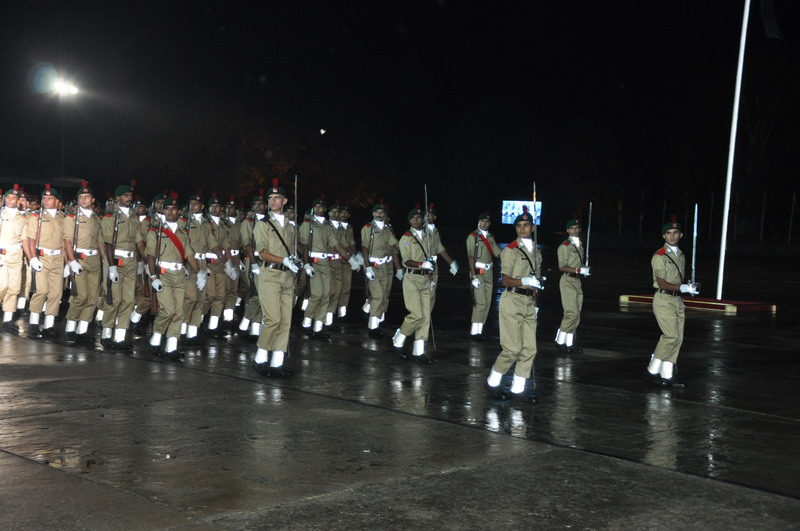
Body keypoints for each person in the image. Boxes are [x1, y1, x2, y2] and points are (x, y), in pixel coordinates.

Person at [485, 208, 542, 405]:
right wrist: (524, 280)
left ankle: (518, 390)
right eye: (518, 225)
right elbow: (506, 280)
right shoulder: (510, 250)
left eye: (526, 225)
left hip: (528, 302)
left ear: (533, 228)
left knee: (530, 349)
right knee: (512, 349)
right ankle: (493, 383)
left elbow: (536, 281)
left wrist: (536, 298)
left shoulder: (537, 253)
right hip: (512, 300)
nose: (522, 228)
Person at [146, 193, 203, 361]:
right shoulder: (155, 232)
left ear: (179, 212)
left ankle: (172, 348)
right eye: (167, 209)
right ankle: (155, 339)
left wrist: (199, 272)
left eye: (173, 209)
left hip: (179, 275)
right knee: (168, 311)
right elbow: (150, 256)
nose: (170, 212)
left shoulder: (183, 232)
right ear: (163, 211)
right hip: (163, 274)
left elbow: (189, 256)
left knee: (179, 313)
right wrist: (153, 277)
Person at [252, 179, 299, 377]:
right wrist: (284, 260)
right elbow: (261, 252)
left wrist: (295, 263)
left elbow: (293, 251)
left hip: (287, 277)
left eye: (277, 198)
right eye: (270, 198)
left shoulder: (290, 226)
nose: (272, 202)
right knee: (272, 319)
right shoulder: (262, 224)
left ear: (285, 201)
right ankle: (260, 358)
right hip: (270, 275)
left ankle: (277, 363)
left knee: (286, 321)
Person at [646, 220, 699, 388]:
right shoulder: (659, 255)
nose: (672, 236)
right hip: (664, 299)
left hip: (677, 300)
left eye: (675, 233)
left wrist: (687, 289)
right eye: (668, 233)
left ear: (681, 235)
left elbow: (678, 279)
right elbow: (661, 282)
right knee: (671, 336)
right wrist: (681, 287)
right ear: (664, 236)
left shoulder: (681, 255)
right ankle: (652, 370)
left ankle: (667, 375)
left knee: (679, 338)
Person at [298, 196, 360, 339]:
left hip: (325, 262)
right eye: (317, 207)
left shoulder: (327, 226)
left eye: (322, 207)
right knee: (317, 295)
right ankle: (306, 323)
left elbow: (336, 245)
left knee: (326, 295)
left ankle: (318, 327)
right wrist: (306, 263)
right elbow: (304, 246)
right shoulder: (308, 224)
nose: (319, 209)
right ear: (313, 208)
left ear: (325, 210)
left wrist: (350, 259)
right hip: (313, 262)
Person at [392, 205, 440, 364]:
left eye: (419, 218)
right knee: (417, 315)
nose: (417, 220)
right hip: (412, 279)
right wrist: (422, 264)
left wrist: (431, 274)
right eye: (414, 218)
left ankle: (418, 352)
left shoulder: (428, 236)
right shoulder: (406, 238)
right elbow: (406, 260)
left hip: (426, 279)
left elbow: (433, 255)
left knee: (426, 317)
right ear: (409, 221)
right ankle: (399, 338)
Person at [100, 181, 144, 350]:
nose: (129, 198)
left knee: (129, 300)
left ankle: (120, 337)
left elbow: (139, 241)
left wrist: (144, 262)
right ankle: (106, 334)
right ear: (118, 198)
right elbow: (108, 243)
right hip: (115, 261)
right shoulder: (111, 217)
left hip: (131, 261)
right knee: (114, 299)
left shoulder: (133, 217)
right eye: (126, 195)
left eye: (130, 196)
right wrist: (111, 266)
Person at [181, 191, 226, 346]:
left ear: (202, 206)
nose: (193, 206)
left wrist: (224, 261)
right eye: (191, 203)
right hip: (188, 262)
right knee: (190, 298)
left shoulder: (205, 224)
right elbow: (182, 245)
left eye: (196, 204)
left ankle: (192, 333)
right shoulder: (184, 222)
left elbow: (213, 243)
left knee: (200, 299)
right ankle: (181, 331)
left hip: (202, 262)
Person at [63, 181, 105, 344]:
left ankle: (82, 331)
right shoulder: (72, 217)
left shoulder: (96, 219)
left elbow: (100, 242)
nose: (84, 200)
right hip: (79, 259)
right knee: (81, 297)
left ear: (93, 200)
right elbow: (67, 241)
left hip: (94, 260)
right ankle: (70, 328)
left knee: (93, 298)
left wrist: (107, 262)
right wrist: (71, 261)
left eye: (87, 197)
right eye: (81, 197)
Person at [24, 184, 66, 338]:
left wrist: (68, 262)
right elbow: (30, 239)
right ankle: (34, 323)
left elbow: (66, 242)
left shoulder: (63, 218)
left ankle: (49, 325)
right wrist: (32, 258)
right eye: (44, 198)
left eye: (50, 198)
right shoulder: (37, 217)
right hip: (42, 256)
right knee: (41, 290)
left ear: (56, 200)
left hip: (58, 258)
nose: (46, 201)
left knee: (56, 293)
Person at [361, 201, 402, 338]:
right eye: (377, 212)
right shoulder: (368, 228)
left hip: (387, 266)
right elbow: (365, 248)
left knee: (384, 295)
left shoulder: (387, 229)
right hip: (374, 266)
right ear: (373, 214)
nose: (379, 215)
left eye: (382, 213)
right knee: (378, 295)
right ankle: (373, 328)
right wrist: (368, 267)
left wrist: (408, 252)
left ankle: (378, 320)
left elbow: (394, 244)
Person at [203, 193, 237, 338]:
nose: (216, 208)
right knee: (209, 296)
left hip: (220, 265)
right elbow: (214, 246)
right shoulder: (205, 224)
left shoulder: (223, 225)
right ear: (209, 208)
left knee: (220, 296)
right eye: (213, 206)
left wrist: (229, 264)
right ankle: (197, 324)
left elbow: (227, 245)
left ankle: (213, 327)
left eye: (218, 206)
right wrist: (225, 261)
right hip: (209, 264)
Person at [555, 219, 591, 353]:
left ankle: (569, 343)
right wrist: (578, 270)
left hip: (577, 281)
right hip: (567, 281)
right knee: (571, 313)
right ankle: (559, 341)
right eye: (572, 228)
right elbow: (562, 266)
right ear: (568, 231)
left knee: (577, 314)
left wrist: (583, 270)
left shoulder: (580, 245)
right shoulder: (564, 246)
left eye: (577, 227)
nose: (575, 230)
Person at [466, 211, 501, 339]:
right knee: (480, 303)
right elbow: (470, 257)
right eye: (483, 221)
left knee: (487, 302)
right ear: (479, 222)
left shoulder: (490, 237)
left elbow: (498, 253)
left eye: (488, 222)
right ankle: (474, 331)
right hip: (478, 272)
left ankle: (480, 330)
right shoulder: (473, 236)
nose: (485, 224)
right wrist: (473, 276)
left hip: (489, 272)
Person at [0, 185, 29, 332]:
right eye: (9, 197)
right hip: (2, 255)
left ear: (18, 201)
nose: (11, 200)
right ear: (5, 199)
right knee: (2, 286)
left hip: (16, 256)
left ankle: (7, 320)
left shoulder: (22, 218)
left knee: (14, 288)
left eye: (14, 198)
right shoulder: (0, 214)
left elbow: (24, 239)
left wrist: (32, 258)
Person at [424, 203, 458, 309]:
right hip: (424, 265)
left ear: (434, 217)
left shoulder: (435, 231)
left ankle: (427, 321)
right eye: (426, 214)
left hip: (434, 266)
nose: (428, 216)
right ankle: (422, 321)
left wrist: (451, 263)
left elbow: (440, 248)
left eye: (430, 215)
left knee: (432, 294)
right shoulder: (421, 231)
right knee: (425, 294)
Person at [334, 204, 358, 319]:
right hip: (338, 259)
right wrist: (353, 256)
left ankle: (342, 311)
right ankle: (331, 313)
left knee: (346, 287)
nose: (343, 215)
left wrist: (357, 255)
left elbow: (352, 242)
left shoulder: (349, 227)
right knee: (335, 287)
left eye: (345, 213)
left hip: (348, 261)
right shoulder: (334, 226)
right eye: (341, 212)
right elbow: (343, 243)